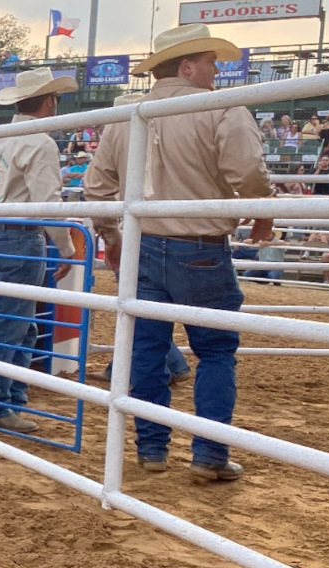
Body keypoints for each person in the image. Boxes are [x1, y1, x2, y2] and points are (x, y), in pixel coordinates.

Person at [85, 24, 272, 482]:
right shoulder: (219, 107)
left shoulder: (127, 116)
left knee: (146, 351)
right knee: (215, 351)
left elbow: (96, 186)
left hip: (144, 246)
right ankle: (208, 455)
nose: (216, 69)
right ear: (187, 66)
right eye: (211, 61)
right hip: (200, 246)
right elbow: (246, 167)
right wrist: (263, 209)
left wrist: (112, 237)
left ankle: (152, 450)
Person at [0, 67, 79, 433]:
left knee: (18, 322)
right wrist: (66, 246)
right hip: (23, 238)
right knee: (13, 324)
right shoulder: (39, 142)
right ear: (49, 101)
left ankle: (9, 398)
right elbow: (48, 200)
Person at [88, 94, 192, 386]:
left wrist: (111, 235)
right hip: (175, 231)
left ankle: (167, 364)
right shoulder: (167, 139)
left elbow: (97, 187)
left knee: (137, 308)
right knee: (141, 308)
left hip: (139, 233)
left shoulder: (120, 141)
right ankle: (169, 364)